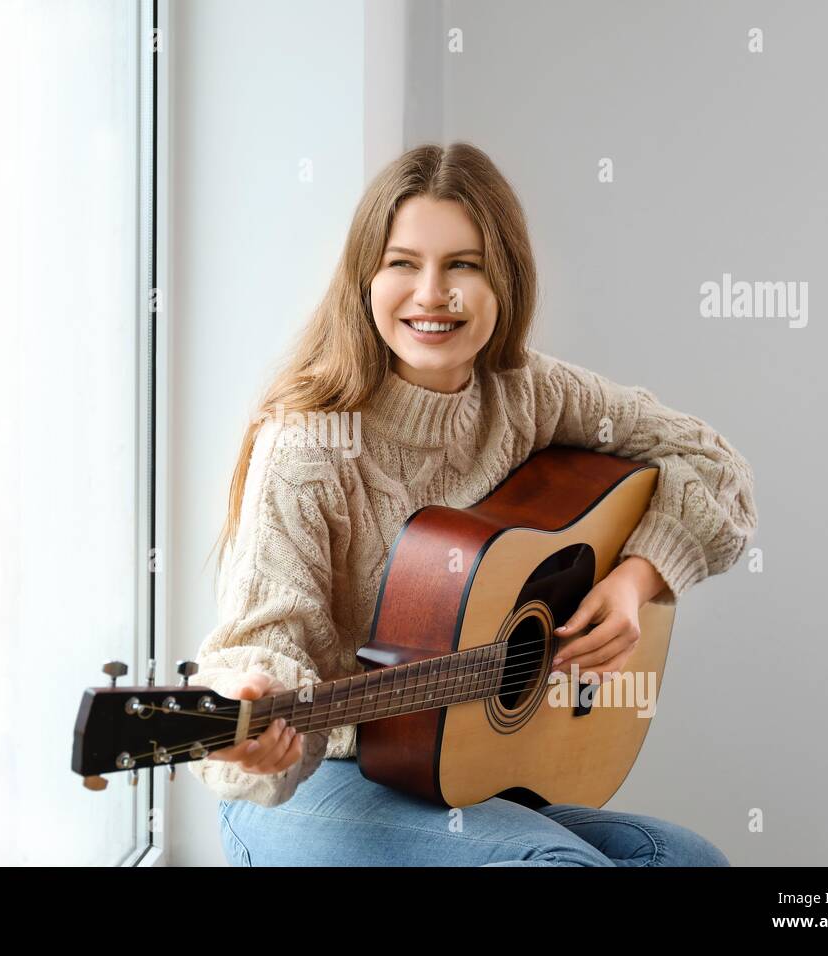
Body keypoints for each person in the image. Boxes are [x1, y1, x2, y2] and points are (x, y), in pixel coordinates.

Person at [187, 142, 756, 866]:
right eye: (402, 263)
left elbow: (715, 464)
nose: (432, 293)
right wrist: (257, 715)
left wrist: (632, 581)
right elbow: (259, 643)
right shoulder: (307, 444)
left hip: (447, 775)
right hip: (323, 785)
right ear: (364, 279)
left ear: (504, 282)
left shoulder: (530, 395)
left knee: (687, 861)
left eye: (464, 264)